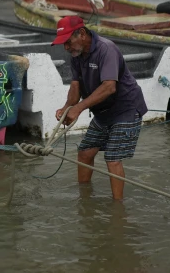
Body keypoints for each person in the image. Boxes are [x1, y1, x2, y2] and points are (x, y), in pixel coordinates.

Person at [51, 15, 147, 200]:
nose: (66, 47)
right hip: (103, 112)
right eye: (64, 44)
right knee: (84, 153)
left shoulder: (106, 49)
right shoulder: (76, 55)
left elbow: (109, 87)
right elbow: (75, 86)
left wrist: (78, 108)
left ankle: (118, 208)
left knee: (112, 158)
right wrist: (66, 108)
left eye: (68, 42)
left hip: (126, 109)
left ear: (82, 33)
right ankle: (84, 199)